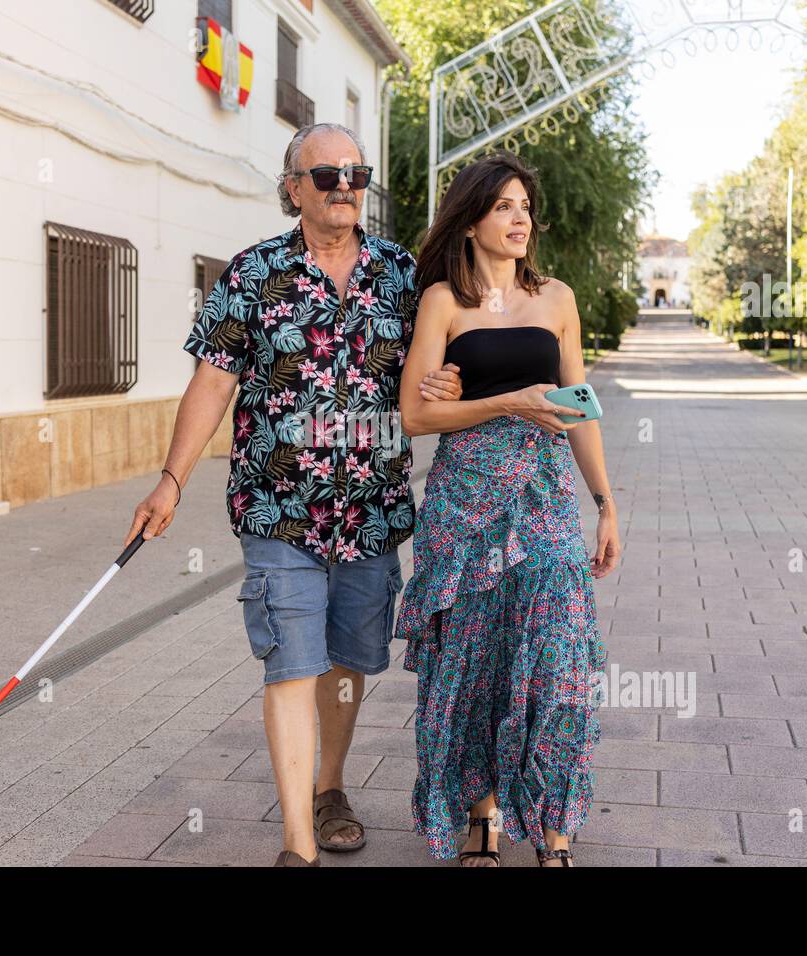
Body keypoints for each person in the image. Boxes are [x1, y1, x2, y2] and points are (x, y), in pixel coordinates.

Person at [125, 122, 463, 867]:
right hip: (278, 508)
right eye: (326, 176)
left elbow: (437, 366)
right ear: (292, 189)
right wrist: (172, 478)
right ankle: (298, 846)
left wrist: (448, 382)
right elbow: (213, 380)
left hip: (373, 512)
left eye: (356, 174)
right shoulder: (254, 273)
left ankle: (329, 787)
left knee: (347, 663)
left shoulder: (403, 276)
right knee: (291, 662)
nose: (345, 187)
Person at [395, 151, 620, 867]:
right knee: (473, 660)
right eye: (503, 207)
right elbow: (415, 417)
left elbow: (579, 406)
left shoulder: (556, 298)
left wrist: (606, 503)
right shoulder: (442, 303)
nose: (520, 218)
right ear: (470, 221)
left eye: (525, 206)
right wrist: (508, 402)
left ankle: (555, 830)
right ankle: (481, 819)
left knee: (557, 656)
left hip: (547, 500)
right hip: (464, 507)